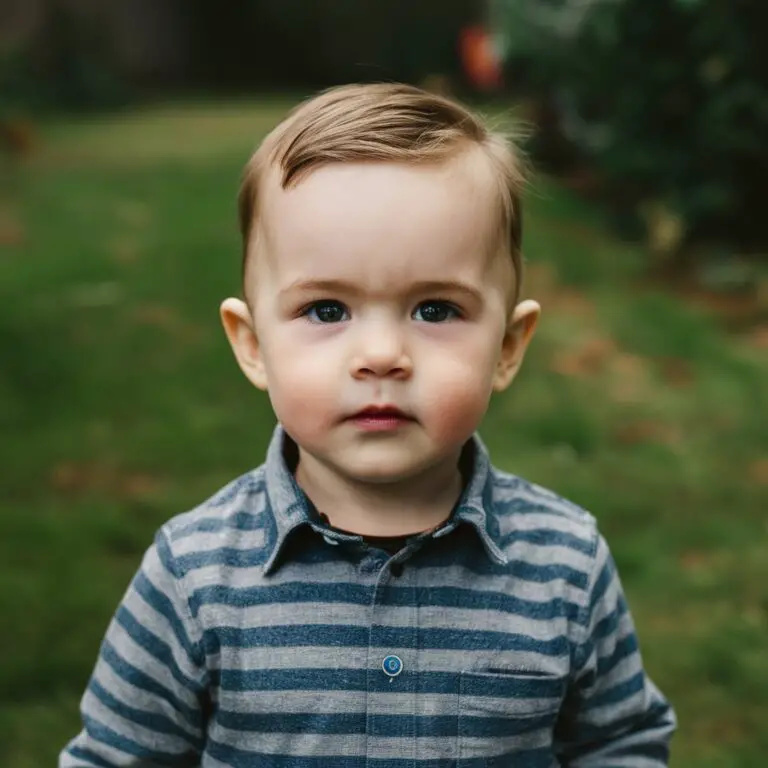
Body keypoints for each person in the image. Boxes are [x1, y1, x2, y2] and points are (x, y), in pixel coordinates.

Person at [60, 83, 675, 767]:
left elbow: (620, 744)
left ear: (507, 345)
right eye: (327, 310)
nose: (382, 354)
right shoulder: (195, 577)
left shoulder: (563, 565)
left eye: (436, 310)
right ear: (252, 343)